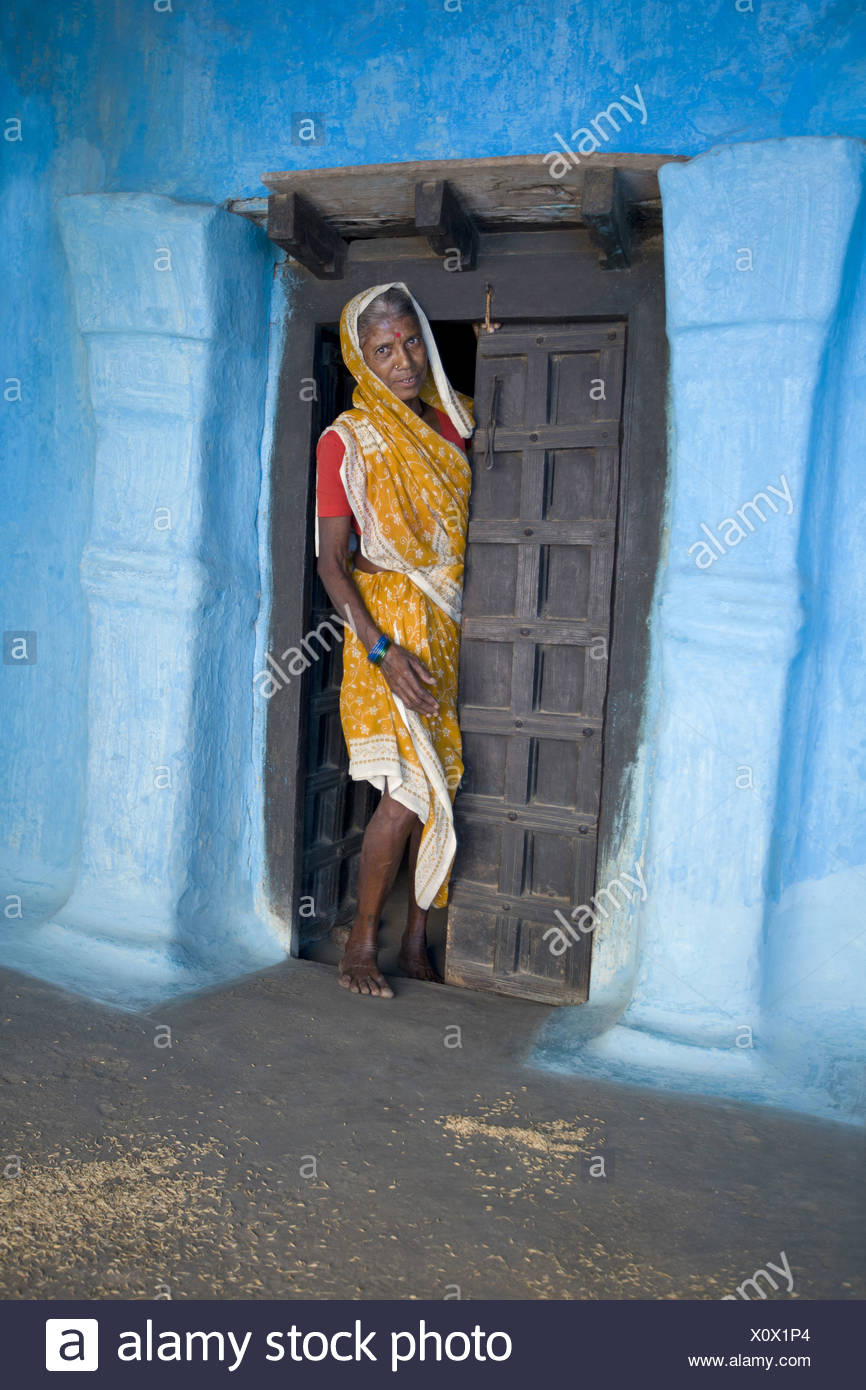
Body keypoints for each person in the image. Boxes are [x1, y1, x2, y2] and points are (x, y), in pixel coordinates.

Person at [315, 281, 488, 998]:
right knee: (401, 792)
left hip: (444, 622)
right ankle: (362, 944)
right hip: (382, 632)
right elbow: (330, 561)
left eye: (411, 340)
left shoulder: (452, 426)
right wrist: (382, 653)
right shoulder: (346, 441)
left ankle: (416, 937)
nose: (403, 360)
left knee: (438, 780)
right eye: (383, 349)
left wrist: (500, 342)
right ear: (362, 358)